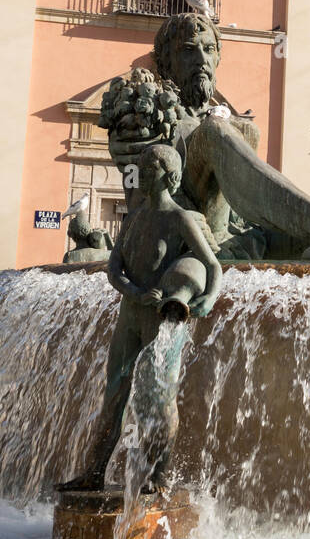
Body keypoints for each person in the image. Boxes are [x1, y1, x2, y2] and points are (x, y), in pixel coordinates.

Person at [57, 144, 223, 494]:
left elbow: (212, 265)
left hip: (162, 320)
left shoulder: (179, 219)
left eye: (150, 169)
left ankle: (158, 474)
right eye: (142, 168)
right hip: (129, 316)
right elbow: (113, 268)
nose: (142, 174)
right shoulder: (133, 218)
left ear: (168, 175)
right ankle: (94, 471)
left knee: (158, 398)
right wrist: (133, 292)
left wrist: (207, 298)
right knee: (114, 394)